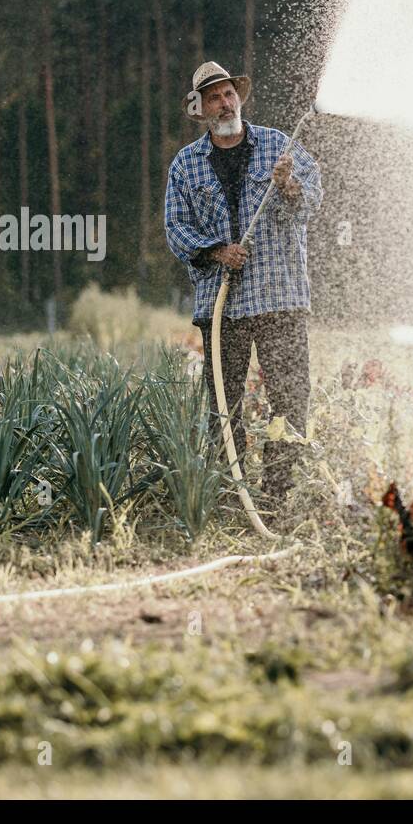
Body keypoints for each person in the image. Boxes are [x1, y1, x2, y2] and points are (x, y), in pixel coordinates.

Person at [164, 61, 323, 506]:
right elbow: (176, 228)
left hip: (279, 299)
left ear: (239, 97)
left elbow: (312, 203)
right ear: (201, 109)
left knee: (291, 399)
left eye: (229, 92)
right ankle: (233, 496)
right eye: (214, 97)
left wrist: (288, 185)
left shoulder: (280, 147)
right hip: (221, 305)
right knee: (222, 406)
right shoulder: (186, 165)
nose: (225, 101)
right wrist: (217, 251)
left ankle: (276, 495)